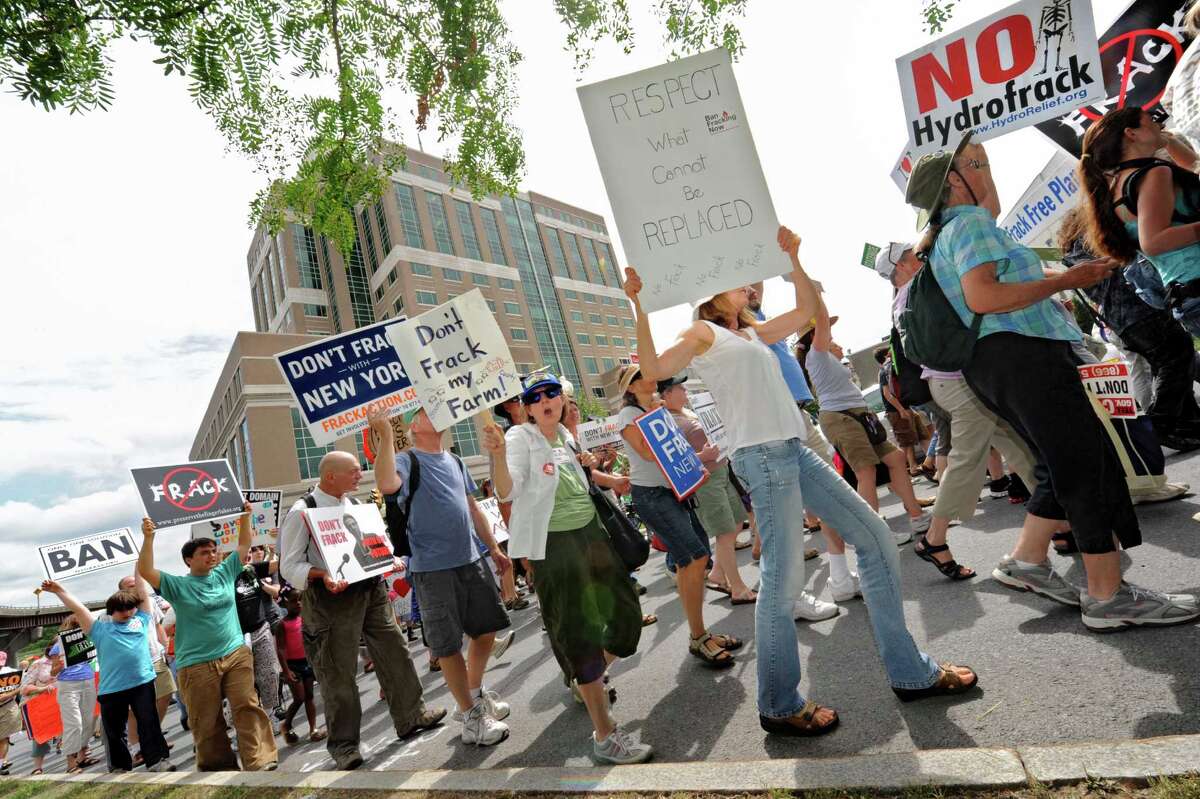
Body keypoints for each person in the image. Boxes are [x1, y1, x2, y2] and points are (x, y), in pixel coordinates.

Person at [625, 225, 977, 737]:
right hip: (763, 458)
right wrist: (638, 305)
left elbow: (807, 311)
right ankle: (778, 702)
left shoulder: (749, 332)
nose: (750, 283)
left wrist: (793, 260)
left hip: (790, 447)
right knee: (784, 581)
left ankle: (909, 671)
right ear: (709, 291)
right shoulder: (705, 333)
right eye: (738, 279)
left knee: (877, 538)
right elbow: (653, 368)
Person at [906, 131, 1200, 630]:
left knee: (1059, 462)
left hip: (1003, 361)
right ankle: (1108, 596)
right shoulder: (970, 224)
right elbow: (984, 298)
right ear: (955, 183)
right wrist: (1064, 281)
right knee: (1085, 465)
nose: (986, 169)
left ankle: (1028, 559)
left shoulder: (949, 234)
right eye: (977, 163)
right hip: (1022, 357)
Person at [484, 373, 651, 764]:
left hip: (593, 535)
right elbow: (508, 490)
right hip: (554, 546)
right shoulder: (518, 439)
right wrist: (495, 456)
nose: (546, 399)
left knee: (627, 617)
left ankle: (583, 674)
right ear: (525, 407)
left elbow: (582, 483)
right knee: (580, 634)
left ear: (561, 399)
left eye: (552, 392)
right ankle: (605, 734)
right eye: (535, 396)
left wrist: (594, 467)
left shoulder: (565, 435)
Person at [874, 241, 1037, 579]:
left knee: (1014, 444)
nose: (919, 259)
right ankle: (934, 539)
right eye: (911, 257)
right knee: (966, 460)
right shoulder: (916, 292)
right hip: (956, 382)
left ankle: (1060, 516)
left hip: (950, 382)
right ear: (900, 267)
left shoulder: (900, 301)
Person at [278, 449, 444, 770]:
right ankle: (344, 746)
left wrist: (388, 557)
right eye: (353, 471)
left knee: (395, 651)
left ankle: (411, 715)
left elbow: (375, 541)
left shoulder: (354, 505)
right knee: (337, 673)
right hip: (330, 601)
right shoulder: (302, 511)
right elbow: (289, 566)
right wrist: (321, 575)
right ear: (330, 476)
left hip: (371, 590)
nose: (359, 475)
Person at [372, 407, 514, 747]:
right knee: (448, 645)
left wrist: (493, 547)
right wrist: (386, 436)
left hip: (471, 558)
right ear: (415, 426)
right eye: (424, 412)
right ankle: (471, 718)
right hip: (431, 568)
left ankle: (474, 693)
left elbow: (472, 506)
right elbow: (385, 483)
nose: (434, 414)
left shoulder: (455, 460)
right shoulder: (407, 460)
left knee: (486, 630)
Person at [615, 364, 742, 667]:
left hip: (674, 492)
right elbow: (649, 452)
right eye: (640, 376)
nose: (649, 377)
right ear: (631, 388)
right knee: (695, 558)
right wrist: (657, 415)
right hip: (652, 495)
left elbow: (678, 450)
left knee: (693, 561)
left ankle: (699, 634)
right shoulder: (628, 416)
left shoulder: (658, 411)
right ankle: (698, 637)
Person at [138, 505, 279, 771]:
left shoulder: (226, 572)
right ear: (188, 560)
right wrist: (148, 538)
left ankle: (259, 761)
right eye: (204, 553)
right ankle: (219, 768)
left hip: (236, 653)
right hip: (196, 663)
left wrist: (245, 516)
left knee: (247, 705)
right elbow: (146, 570)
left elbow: (244, 544)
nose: (212, 556)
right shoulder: (176, 585)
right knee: (207, 719)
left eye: (213, 551)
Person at [749, 281, 859, 607]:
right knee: (783, 515)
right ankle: (792, 597)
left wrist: (788, 265)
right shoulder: (746, 330)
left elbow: (756, 283)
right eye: (741, 288)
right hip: (774, 423)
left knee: (830, 495)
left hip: (797, 416)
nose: (751, 290)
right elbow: (805, 312)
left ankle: (839, 576)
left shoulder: (759, 318)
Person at [805, 309, 933, 544]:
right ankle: (875, 534)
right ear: (815, 336)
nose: (835, 341)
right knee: (866, 471)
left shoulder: (831, 360)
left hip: (858, 414)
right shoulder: (816, 357)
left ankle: (917, 517)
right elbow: (822, 326)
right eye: (829, 336)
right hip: (839, 417)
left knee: (895, 458)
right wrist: (812, 296)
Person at [1076, 107, 1200, 338]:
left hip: (1186, 292)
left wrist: (1169, 143)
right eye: (1150, 121)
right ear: (1131, 133)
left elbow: (1195, 169)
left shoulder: (1119, 185)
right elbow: (1153, 241)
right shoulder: (1154, 173)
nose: (1158, 125)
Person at [40, 576, 173, 773]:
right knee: (115, 732)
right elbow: (79, 609)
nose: (127, 613)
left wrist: (139, 567)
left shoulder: (141, 620)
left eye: (130, 608)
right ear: (112, 612)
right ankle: (120, 767)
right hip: (112, 688)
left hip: (143, 683)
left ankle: (157, 762)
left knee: (149, 723)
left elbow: (143, 594)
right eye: (121, 610)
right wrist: (59, 590)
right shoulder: (98, 629)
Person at [659, 374, 756, 604]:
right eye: (678, 387)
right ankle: (737, 588)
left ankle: (717, 574)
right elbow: (671, 460)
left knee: (733, 525)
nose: (684, 390)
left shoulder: (688, 412)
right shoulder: (665, 421)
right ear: (666, 394)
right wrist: (703, 456)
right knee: (724, 532)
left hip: (721, 470)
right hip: (705, 480)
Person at [234, 545, 283, 728]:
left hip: (262, 627)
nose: (248, 555)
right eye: (244, 552)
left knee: (270, 673)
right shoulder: (223, 576)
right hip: (236, 635)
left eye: (249, 552)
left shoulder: (253, 570)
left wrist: (280, 545)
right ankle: (246, 724)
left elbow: (278, 565)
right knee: (245, 682)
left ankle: (270, 715)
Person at [47, 618, 101, 773]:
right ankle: (71, 763)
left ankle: (82, 756)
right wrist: (60, 666)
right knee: (74, 723)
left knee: (88, 722)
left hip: (88, 681)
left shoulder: (89, 638)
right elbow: (52, 672)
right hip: (68, 686)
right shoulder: (58, 646)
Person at [274, 591, 326, 744]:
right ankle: (287, 724)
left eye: (300, 600)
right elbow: (281, 649)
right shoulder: (282, 625)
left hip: (307, 662)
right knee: (299, 697)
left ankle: (313, 730)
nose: (298, 604)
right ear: (285, 604)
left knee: (309, 695)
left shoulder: (304, 618)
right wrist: (286, 670)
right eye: (293, 601)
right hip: (292, 666)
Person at [19, 651, 55, 774]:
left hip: (61, 699)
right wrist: (44, 688)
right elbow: (24, 689)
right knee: (41, 737)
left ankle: (75, 761)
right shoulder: (39, 664)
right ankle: (37, 767)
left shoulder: (67, 661)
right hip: (41, 704)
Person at [0, 651, 19, 775]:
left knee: (3, 738)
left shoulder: (11, 672)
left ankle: (1, 764)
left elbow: (20, 687)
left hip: (7, 707)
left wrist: (9, 694)